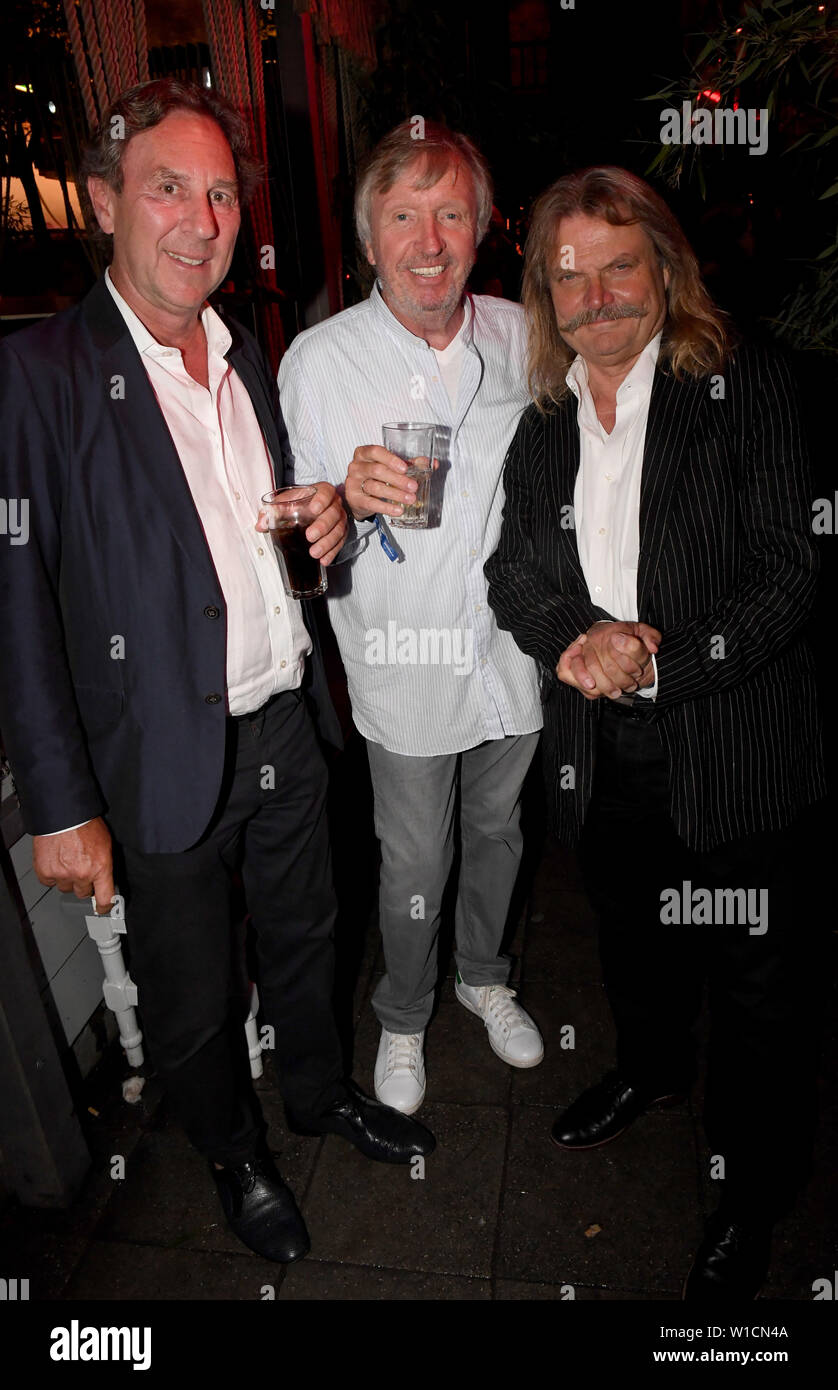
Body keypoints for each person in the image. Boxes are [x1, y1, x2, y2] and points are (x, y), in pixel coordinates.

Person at [0, 78, 433, 1267]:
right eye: (167, 190)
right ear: (104, 202)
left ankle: (314, 1093)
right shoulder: (39, 376)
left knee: (309, 935)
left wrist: (330, 531)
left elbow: (272, 535)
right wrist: (61, 803)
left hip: (286, 723)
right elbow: (17, 599)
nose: (200, 219)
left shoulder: (249, 354)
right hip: (155, 751)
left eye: (222, 195)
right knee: (191, 997)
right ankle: (233, 1154)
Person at [485, 166, 826, 1301]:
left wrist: (668, 661)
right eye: (566, 275)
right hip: (607, 752)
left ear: (663, 267)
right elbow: (513, 571)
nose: (593, 296)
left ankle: (752, 1187)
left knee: (759, 990)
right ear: (545, 296)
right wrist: (577, 639)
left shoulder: (744, 379)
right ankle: (645, 1071)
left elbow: (792, 564)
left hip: (734, 745)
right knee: (631, 938)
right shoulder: (542, 421)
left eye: (615, 264)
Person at [278, 120, 544, 1115]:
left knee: (499, 830)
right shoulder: (319, 360)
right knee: (415, 857)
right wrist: (339, 500)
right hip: (399, 655)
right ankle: (400, 1013)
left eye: (448, 213)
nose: (426, 242)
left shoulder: (522, 335)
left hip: (513, 650)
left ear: (482, 228)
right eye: (401, 215)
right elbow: (296, 541)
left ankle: (482, 975)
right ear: (368, 237)